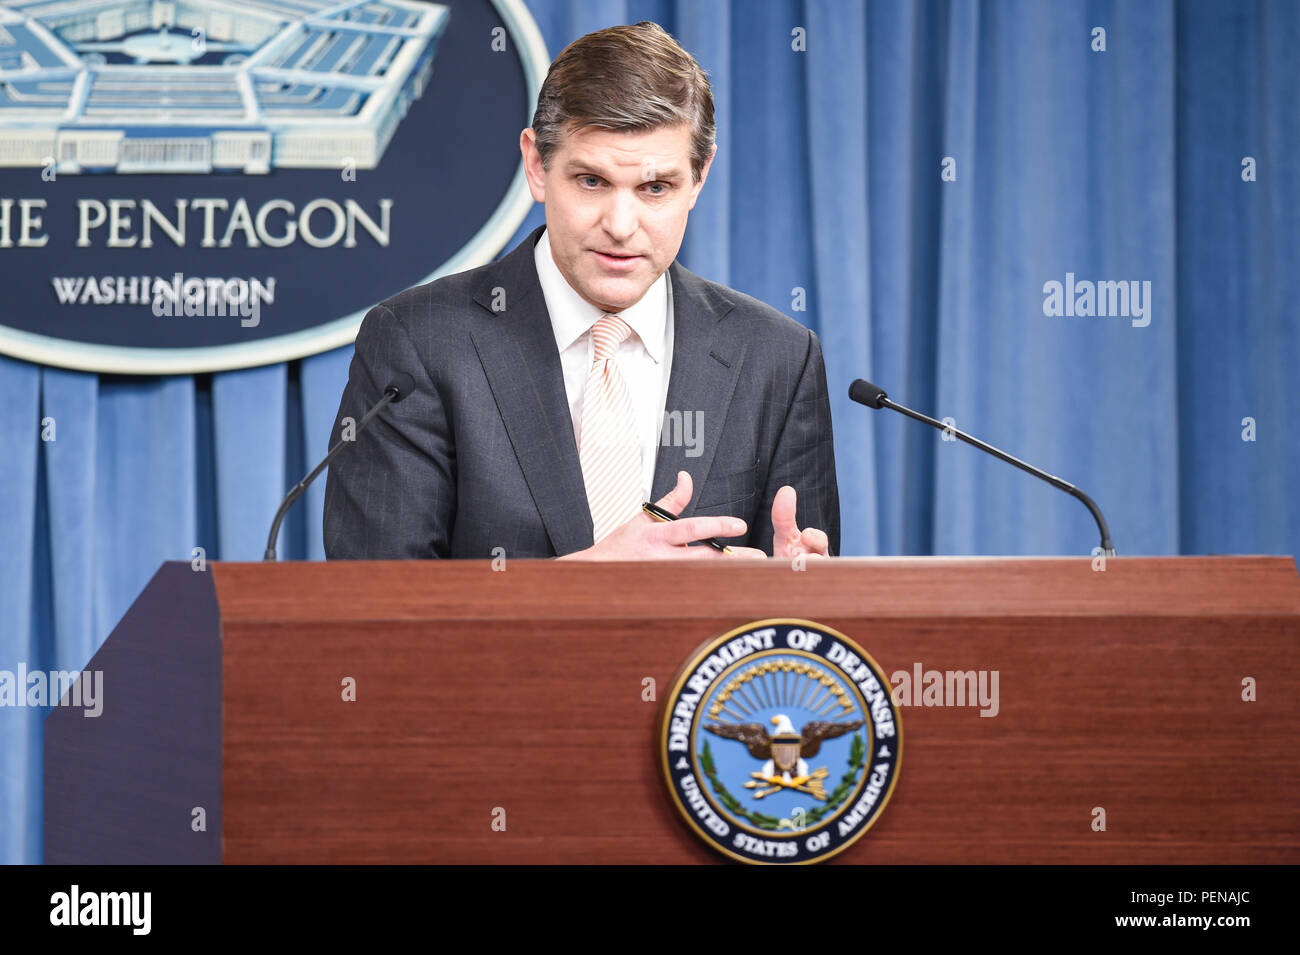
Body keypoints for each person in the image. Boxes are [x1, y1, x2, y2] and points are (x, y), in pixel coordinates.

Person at [323, 21, 839, 561]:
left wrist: (797, 604)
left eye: (655, 188)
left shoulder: (778, 357)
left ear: (699, 178)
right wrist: (588, 583)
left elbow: (805, 631)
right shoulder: (420, 344)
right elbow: (377, 611)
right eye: (591, 181)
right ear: (536, 165)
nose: (620, 224)